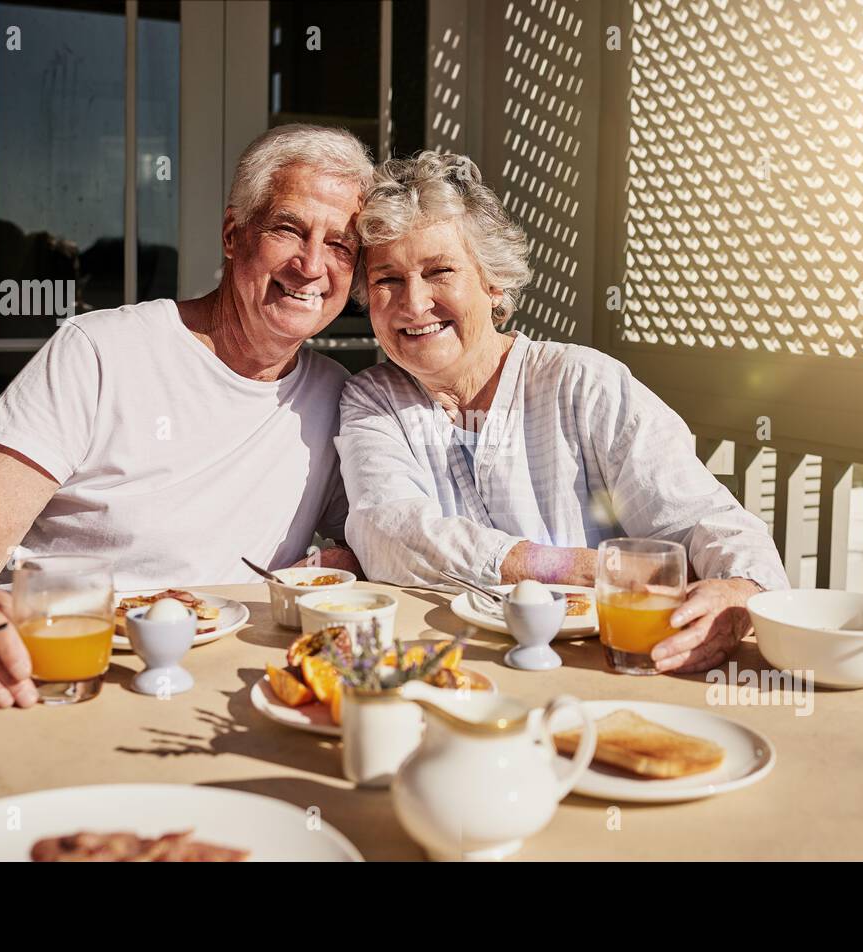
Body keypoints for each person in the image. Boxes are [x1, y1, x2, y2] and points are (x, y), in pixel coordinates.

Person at [0, 124, 373, 707]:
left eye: (341, 245)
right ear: (232, 234)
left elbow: (383, 539)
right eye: (288, 229)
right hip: (60, 677)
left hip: (228, 688)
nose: (311, 264)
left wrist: (344, 558)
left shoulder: (336, 397)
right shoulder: (100, 352)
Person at [334, 151, 789, 674]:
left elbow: (704, 520)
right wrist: (573, 567)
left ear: (493, 282)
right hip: (447, 673)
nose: (413, 303)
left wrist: (739, 592)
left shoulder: (583, 382)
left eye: (439, 271)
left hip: (604, 669)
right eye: (387, 279)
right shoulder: (372, 400)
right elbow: (387, 531)